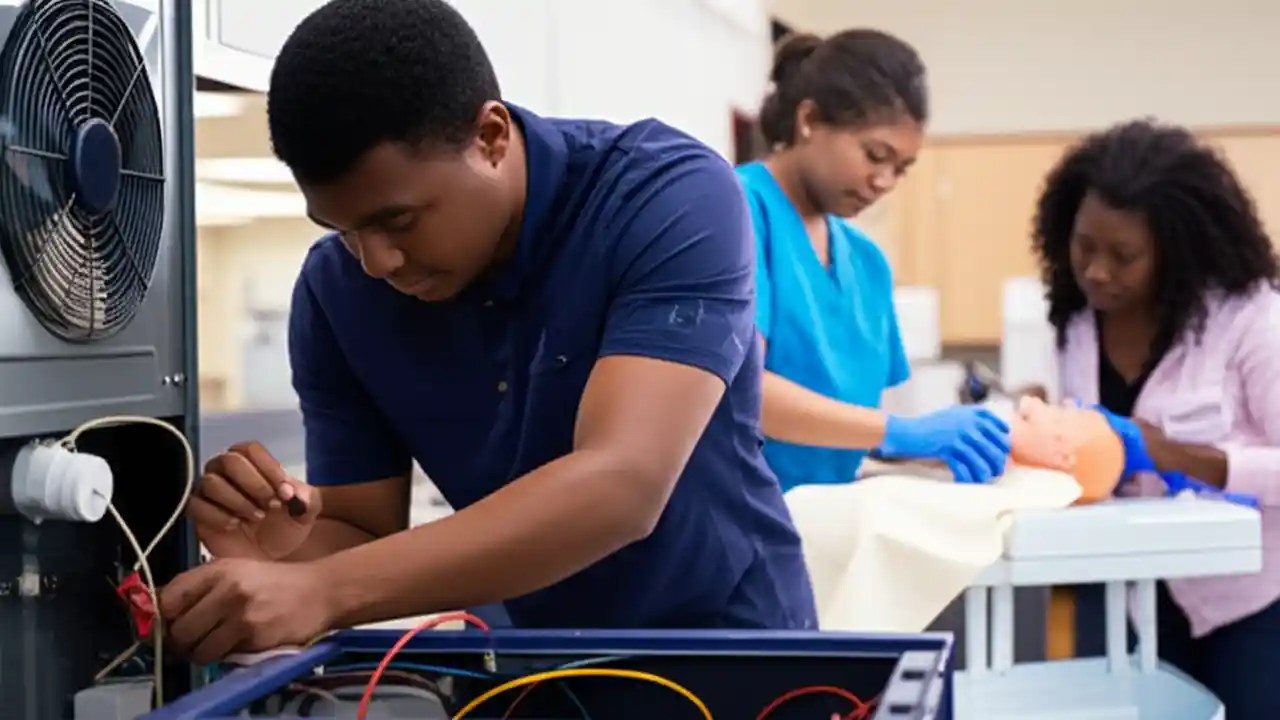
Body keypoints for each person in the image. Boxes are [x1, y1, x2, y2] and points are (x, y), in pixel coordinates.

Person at [157, 0, 817, 664]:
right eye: (344, 230)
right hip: (525, 665)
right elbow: (363, 529)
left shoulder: (665, 197)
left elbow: (622, 485)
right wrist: (283, 553)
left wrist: (320, 589)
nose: (377, 262)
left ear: (491, 136)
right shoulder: (337, 293)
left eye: (400, 220)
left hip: (729, 648)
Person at [1034, 119, 1280, 717]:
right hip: (1124, 590)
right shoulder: (1075, 320)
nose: (1096, 271)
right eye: (1084, 245)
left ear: (1176, 250)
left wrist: (1172, 453)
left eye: (1124, 256)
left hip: (1246, 602)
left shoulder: (1252, 320)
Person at [738, 30, 1012, 491]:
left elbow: (853, 434)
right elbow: (741, 390)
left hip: (825, 525)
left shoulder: (866, 263)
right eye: (875, 155)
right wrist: (898, 431)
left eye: (901, 169)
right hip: (739, 522)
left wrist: (928, 449)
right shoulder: (738, 210)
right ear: (809, 120)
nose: (884, 181)